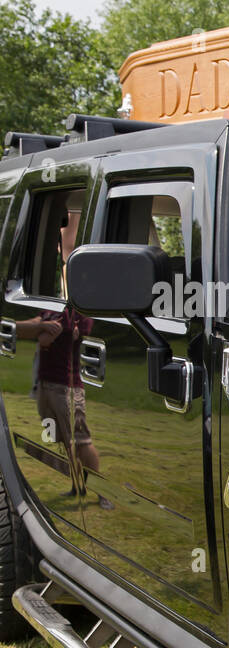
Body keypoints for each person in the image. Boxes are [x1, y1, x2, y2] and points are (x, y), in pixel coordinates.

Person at [14, 196, 111, 509]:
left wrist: (42, 331)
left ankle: (102, 493)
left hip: (68, 388)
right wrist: (40, 330)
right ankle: (75, 485)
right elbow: (34, 330)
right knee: (59, 440)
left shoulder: (81, 307)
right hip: (46, 384)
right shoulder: (55, 304)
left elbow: (50, 334)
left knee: (81, 441)